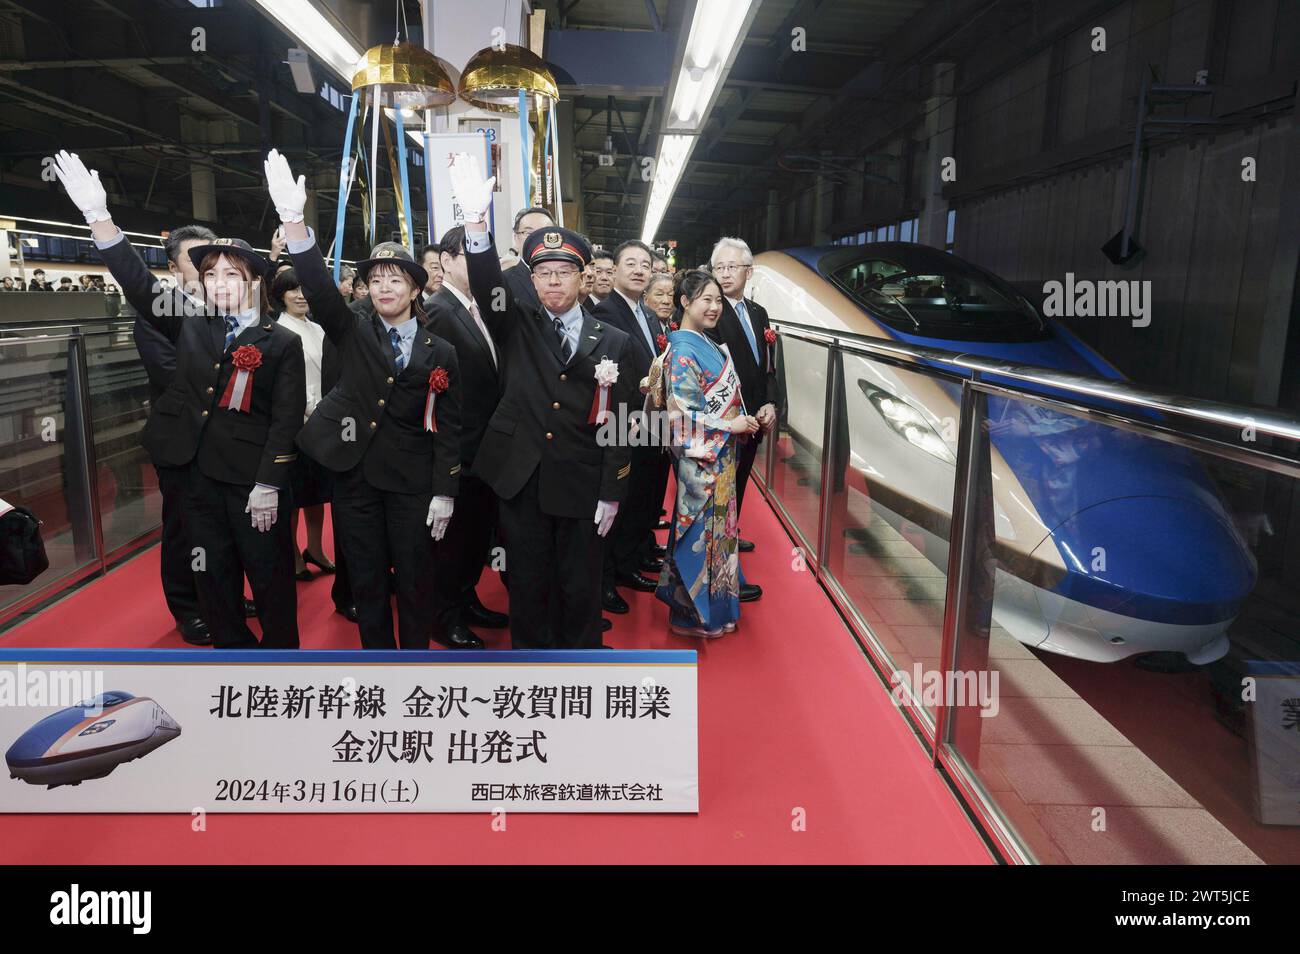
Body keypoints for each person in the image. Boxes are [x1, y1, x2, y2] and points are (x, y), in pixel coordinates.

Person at [55, 150, 305, 649]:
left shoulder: (282, 341)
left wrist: (269, 483)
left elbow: (286, 420)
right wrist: (97, 217)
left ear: (253, 281)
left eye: (232, 275)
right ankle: (233, 656)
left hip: (254, 483)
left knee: (271, 575)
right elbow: (138, 283)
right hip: (200, 479)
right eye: (211, 275)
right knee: (213, 575)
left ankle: (282, 665)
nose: (219, 284)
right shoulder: (188, 321)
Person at [266, 149, 461, 650]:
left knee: (416, 580)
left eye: (395, 278)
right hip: (355, 478)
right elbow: (315, 285)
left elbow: (450, 426)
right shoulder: (351, 328)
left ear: (416, 289)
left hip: (413, 482)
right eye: (375, 279)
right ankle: (380, 663)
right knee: (368, 578)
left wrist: (445, 491)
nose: (384, 287)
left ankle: (415, 660)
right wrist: (294, 223)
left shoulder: (443, 351)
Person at [449, 152, 634, 649]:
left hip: (582, 479)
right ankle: (532, 669)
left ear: (583, 277)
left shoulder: (613, 340)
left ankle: (581, 667)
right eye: (543, 272)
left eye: (564, 271)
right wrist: (476, 227)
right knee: (528, 585)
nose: (553, 280)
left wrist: (614, 488)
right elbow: (488, 285)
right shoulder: (516, 325)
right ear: (530, 280)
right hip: (522, 479)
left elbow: (624, 421)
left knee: (580, 586)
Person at [97, 221, 219, 645]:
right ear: (172, 266)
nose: (207, 267)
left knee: (221, 525)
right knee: (184, 527)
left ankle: (222, 596)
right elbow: (172, 378)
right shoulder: (158, 314)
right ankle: (188, 608)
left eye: (212, 257)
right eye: (195, 258)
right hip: (182, 441)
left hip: (225, 441)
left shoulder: (227, 307)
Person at [653, 269, 759, 637]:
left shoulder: (706, 342)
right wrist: (731, 426)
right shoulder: (682, 349)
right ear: (685, 302)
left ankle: (717, 611)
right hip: (701, 459)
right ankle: (690, 615)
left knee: (720, 533)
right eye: (705, 300)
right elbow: (682, 414)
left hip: (721, 456)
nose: (714, 307)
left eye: (717, 300)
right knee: (700, 533)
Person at [424, 225, 508, 649]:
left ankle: (466, 598)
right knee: (451, 541)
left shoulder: (480, 308)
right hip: (458, 448)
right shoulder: (439, 311)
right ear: (446, 261)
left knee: (474, 535)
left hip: (486, 450)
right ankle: (444, 616)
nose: (479, 265)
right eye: (469, 256)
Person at [592, 240, 661, 614]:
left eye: (645, 265)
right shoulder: (606, 311)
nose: (639, 270)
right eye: (630, 263)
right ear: (614, 270)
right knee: (614, 500)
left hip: (651, 421)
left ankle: (628, 562)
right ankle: (605, 579)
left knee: (640, 497)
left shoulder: (646, 313)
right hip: (622, 422)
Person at [708, 237, 776, 599]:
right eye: (718, 268)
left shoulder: (758, 312)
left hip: (754, 421)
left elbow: (768, 367)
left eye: (731, 267)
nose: (724, 274)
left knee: (738, 488)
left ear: (748, 272)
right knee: (721, 494)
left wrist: (771, 403)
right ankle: (725, 576)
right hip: (727, 423)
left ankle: (730, 539)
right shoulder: (711, 313)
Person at [270, 266, 334, 583]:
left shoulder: (317, 328)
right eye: (292, 290)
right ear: (281, 295)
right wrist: (313, 411)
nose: (300, 295)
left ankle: (316, 549)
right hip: (296, 423)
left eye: (303, 288)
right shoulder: (279, 331)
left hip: (321, 421)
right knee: (294, 495)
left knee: (317, 492)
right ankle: (294, 553)